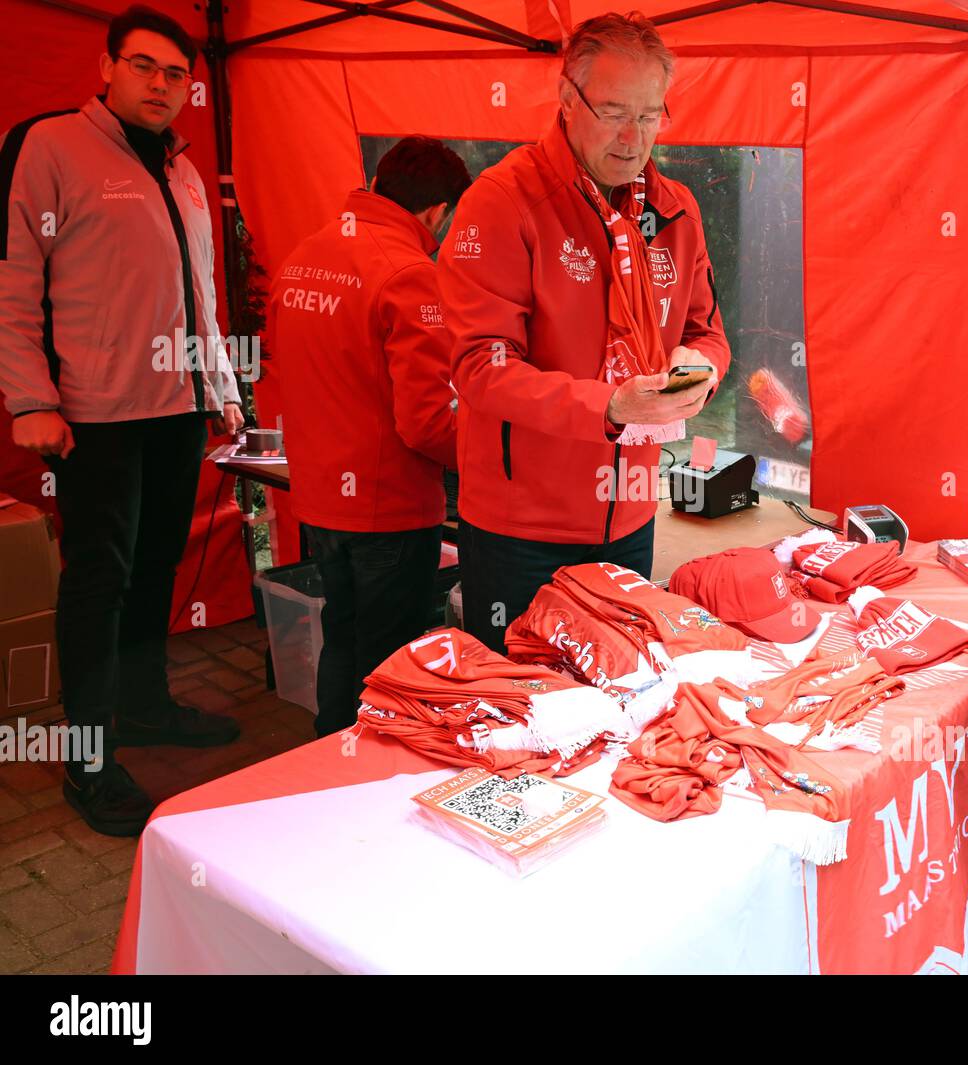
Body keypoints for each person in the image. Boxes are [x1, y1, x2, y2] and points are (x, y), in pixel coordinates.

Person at [0, 5, 246, 837]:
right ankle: (89, 760)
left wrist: (221, 386)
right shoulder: (51, 147)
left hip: (177, 408)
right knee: (97, 581)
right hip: (95, 414)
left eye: (177, 74)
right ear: (106, 66)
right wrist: (29, 397)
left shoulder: (180, 167)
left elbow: (200, 293)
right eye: (144, 66)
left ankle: (144, 706)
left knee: (156, 564)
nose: (162, 85)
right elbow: (12, 277)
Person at [437, 11, 731, 653]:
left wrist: (699, 367)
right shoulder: (503, 201)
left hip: (630, 513)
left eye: (651, 115)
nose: (634, 138)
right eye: (614, 111)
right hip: (521, 527)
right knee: (518, 711)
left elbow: (708, 332)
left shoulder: (675, 209)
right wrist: (610, 407)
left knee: (620, 698)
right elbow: (481, 369)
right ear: (567, 101)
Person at [265, 137, 468, 737]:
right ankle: (364, 785)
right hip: (387, 506)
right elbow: (427, 421)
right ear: (436, 212)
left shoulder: (306, 253)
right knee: (387, 663)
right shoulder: (409, 273)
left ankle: (328, 757)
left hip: (320, 496)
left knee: (344, 635)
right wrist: (494, 457)